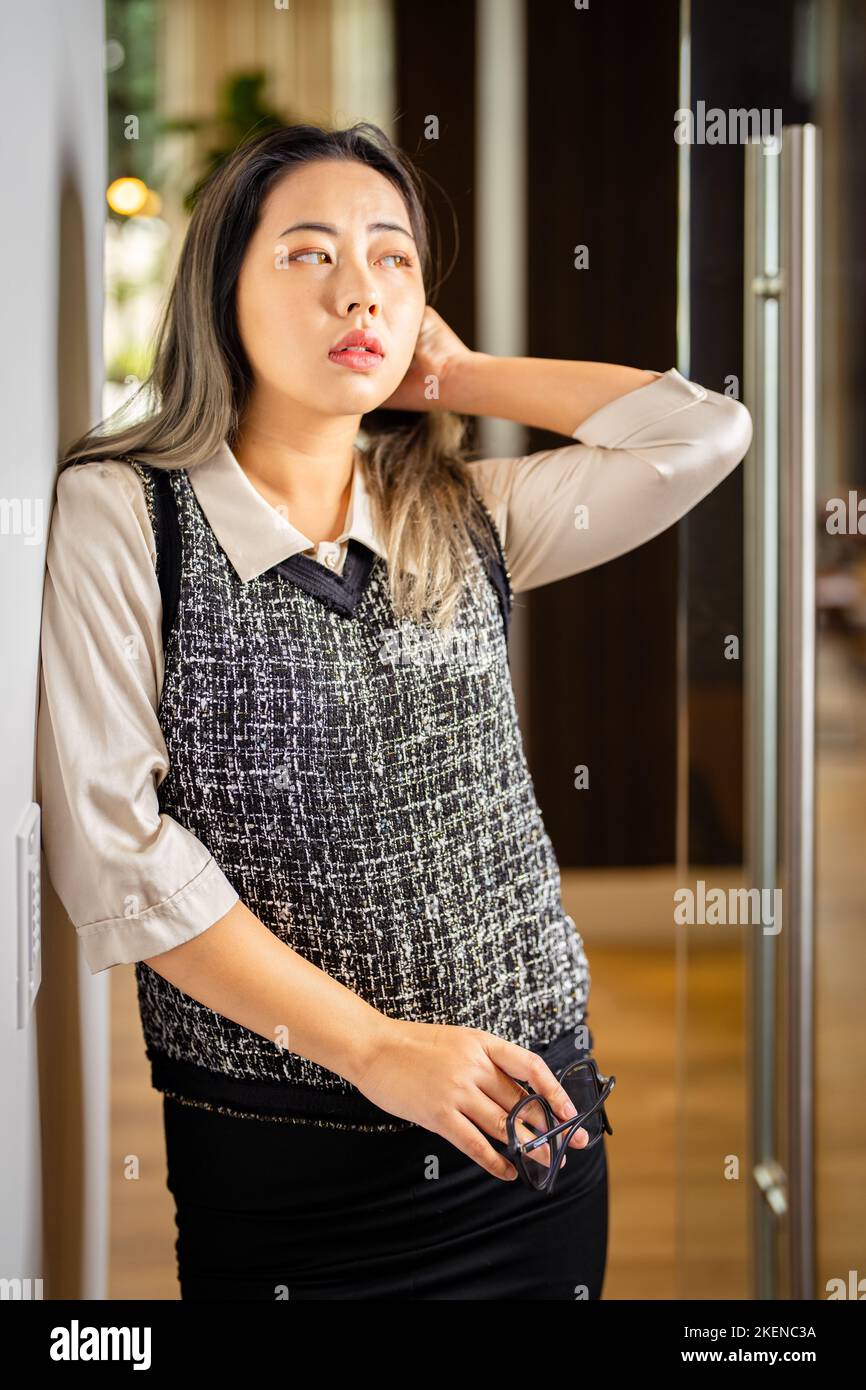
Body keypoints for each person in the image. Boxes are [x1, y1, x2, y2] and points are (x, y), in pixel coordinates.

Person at [36, 121, 753, 1300]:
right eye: (308, 254)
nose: (356, 289)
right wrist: (372, 1050)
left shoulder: (466, 511)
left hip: (527, 1116)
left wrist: (455, 378)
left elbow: (699, 433)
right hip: (285, 1147)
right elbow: (119, 856)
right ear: (221, 291)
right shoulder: (130, 515)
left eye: (392, 258)